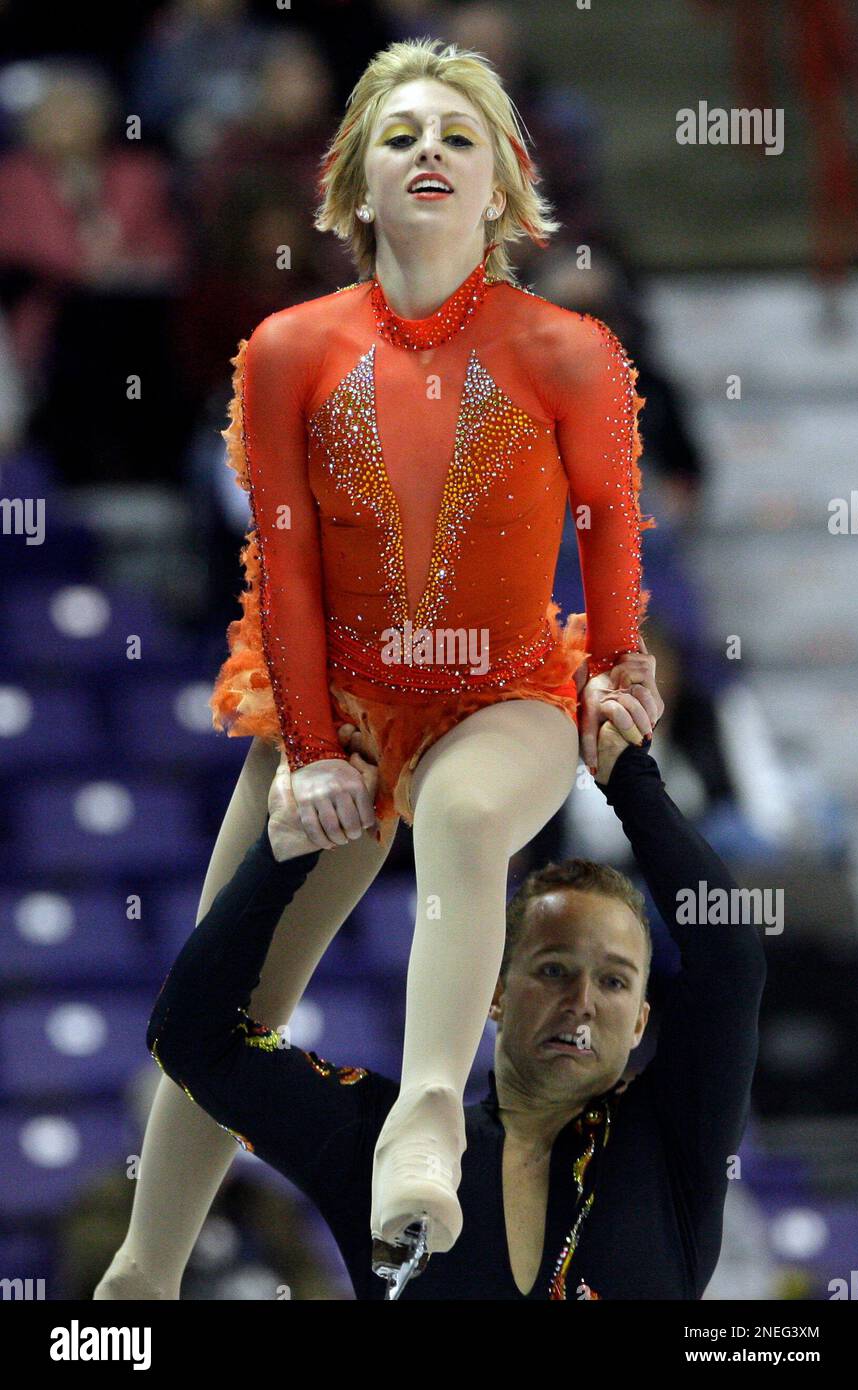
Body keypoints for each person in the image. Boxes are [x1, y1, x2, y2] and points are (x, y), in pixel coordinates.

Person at [95, 36, 658, 1299]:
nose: (430, 155)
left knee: (461, 812)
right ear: (350, 184)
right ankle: (144, 1268)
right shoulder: (290, 349)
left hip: (504, 691)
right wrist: (307, 752)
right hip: (337, 696)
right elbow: (282, 572)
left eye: (459, 137)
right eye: (401, 135)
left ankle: (425, 1119)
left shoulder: (571, 351)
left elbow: (610, 528)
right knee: (227, 991)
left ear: (507, 186)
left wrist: (619, 665)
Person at [144, 706, 767, 1300]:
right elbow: (192, 1038)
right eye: (553, 970)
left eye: (613, 981)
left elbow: (731, 958)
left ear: (640, 1021)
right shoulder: (386, 1145)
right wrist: (278, 855)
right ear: (491, 993)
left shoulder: (675, 1141)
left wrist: (627, 777)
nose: (581, 1002)